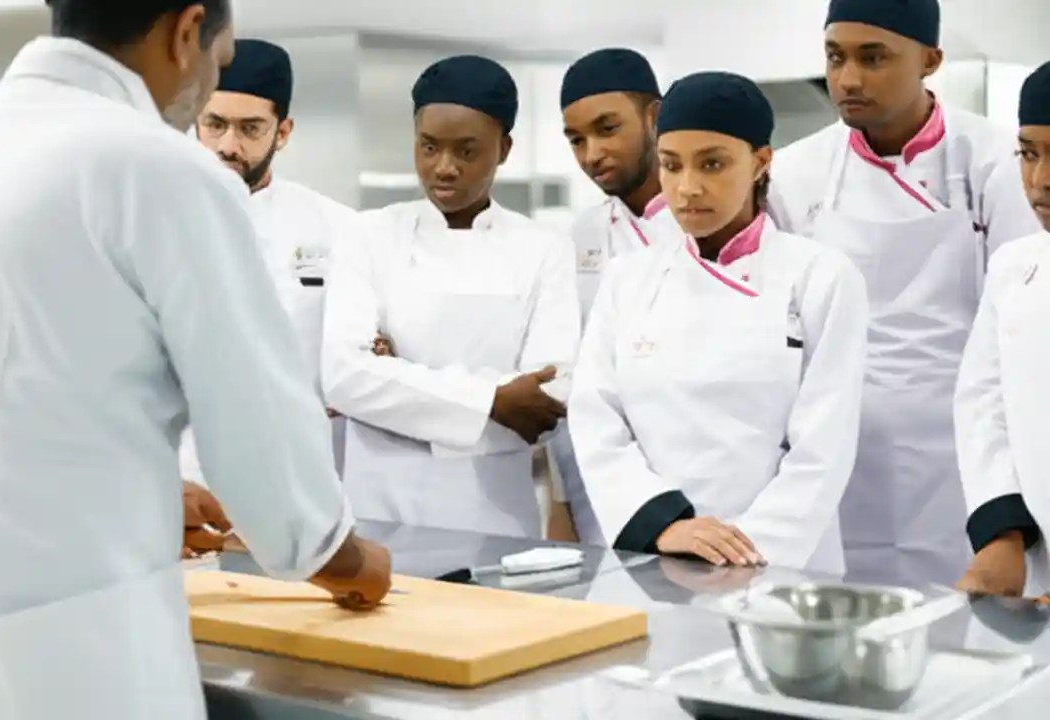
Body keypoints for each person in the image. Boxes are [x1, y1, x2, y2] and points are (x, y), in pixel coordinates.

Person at [0, 2, 391, 719]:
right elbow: (262, 450)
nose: (211, 83)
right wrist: (346, 558)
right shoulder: (161, 169)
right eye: (221, 58)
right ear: (186, 31)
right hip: (49, 657)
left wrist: (139, 491)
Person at [769, 0, 1043, 585]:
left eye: (874, 58)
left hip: (961, 450)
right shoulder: (797, 173)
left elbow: (1017, 334)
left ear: (930, 60)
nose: (847, 79)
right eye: (835, 56)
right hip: (840, 445)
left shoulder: (997, 160)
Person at [569, 71, 869, 574]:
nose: (688, 188)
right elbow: (596, 417)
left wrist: (745, 547)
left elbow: (824, 447)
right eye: (671, 165)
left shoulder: (821, 277)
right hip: (657, 553)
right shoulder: (629, 280)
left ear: (760, 162)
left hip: (782, 562)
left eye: (712, 164)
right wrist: (663, 525)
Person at [321, 55, 580, 538]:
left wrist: (397, 385)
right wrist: (493, 399)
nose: (444, 168)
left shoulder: (544, 249)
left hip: (496, 511)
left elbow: (547, 397)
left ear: (503, 149)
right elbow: (345, 378)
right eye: (428, 147)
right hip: (379, 508)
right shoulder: (368, 234)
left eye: (467, 151)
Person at [182, 38, 356, 486]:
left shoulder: (338, 228)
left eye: (251, 129)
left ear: (283, 132)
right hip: (181, 470)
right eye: (214, 124)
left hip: (297, 470)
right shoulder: (149, 216)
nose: (228, 145)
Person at [955, 61, 1050, 604]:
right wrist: (1002, 534)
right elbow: (984, 403)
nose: (1039, 181)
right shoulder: (1017, 267)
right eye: (1029, 153)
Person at [560, 47, 683, 319]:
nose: (592, 156)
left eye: (607, 129)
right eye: (577, 140)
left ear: (655, 117)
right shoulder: (582, 233)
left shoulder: (713, 214)